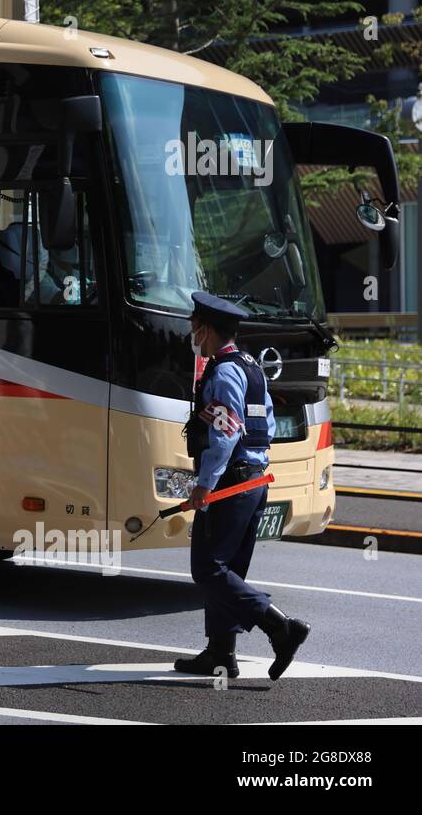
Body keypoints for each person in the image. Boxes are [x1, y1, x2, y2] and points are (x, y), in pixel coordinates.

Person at [174, 291, 310, 681]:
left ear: (207, 328)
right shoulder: (250, 366)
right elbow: (261, 423)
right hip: (252, 480)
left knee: (207, 569)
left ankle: (281, 628)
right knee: (228, 567)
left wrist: (204, 484)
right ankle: (220, 653)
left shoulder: (221, 372)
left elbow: (226, 434)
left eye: (194, 325)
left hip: (229, 484)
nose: (191, 332)